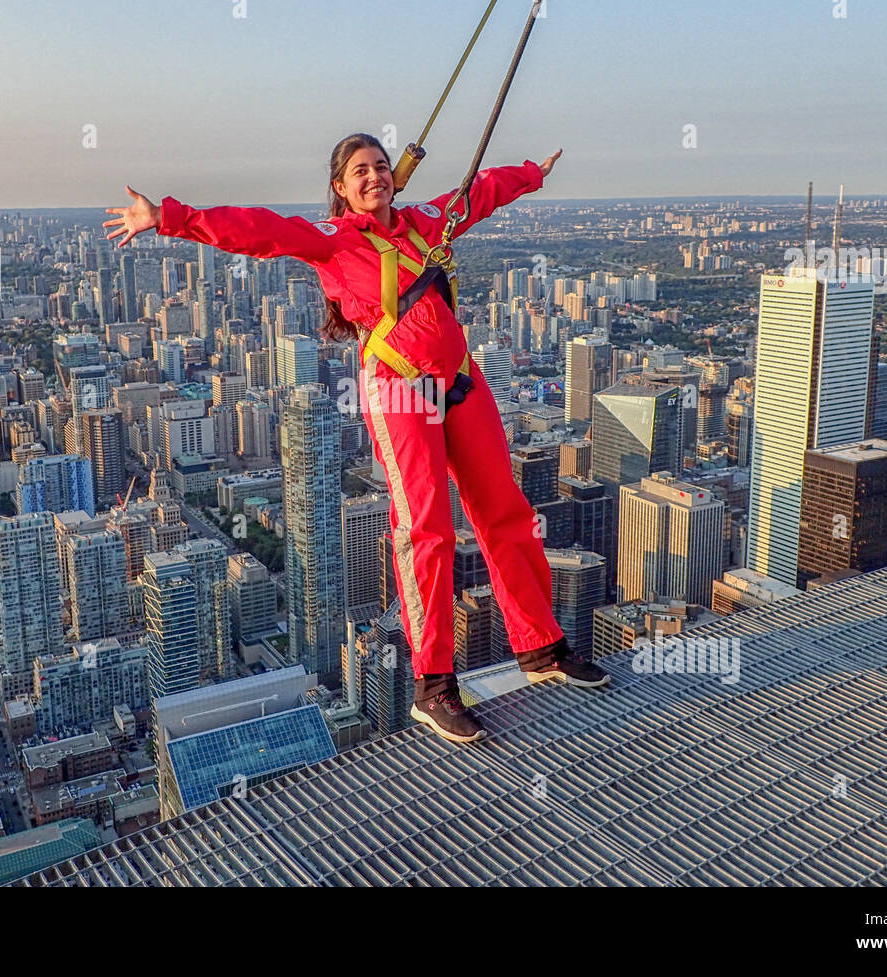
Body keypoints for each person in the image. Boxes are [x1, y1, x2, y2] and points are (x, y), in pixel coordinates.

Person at [104, 132, 608, 744]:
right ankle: (434, 687)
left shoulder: (426, 222)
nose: (372, 177)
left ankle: (540, 647)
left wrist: (531, 173)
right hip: (400, 389)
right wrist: (169, 218)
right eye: (358, 172)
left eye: (379, 167)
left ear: (395, 175)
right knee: (426, 528)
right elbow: (261, 230)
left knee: (505, 510)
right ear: (340, 189)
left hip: (460, 381)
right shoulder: (336, 240)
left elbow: (478, 194)